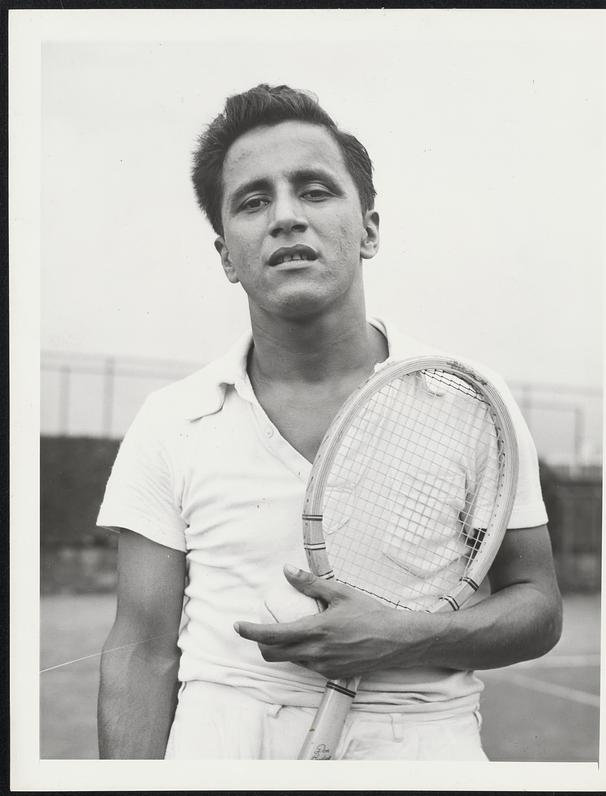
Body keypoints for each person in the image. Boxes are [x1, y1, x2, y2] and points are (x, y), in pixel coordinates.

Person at [97, 84, 562, 760]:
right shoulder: (170, 420)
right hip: (220, 745)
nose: (286, 217)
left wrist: (404, 636)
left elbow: (539, 606)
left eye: (315, 191)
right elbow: (139, 652)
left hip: (425, 744)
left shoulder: (471, 402)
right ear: (226, 253)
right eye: (254, 201)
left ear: (369, 230)